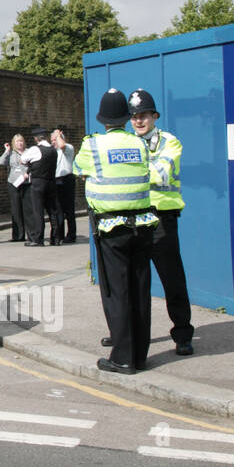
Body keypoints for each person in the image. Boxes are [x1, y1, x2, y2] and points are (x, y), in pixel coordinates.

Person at [75, 88, 157, 374]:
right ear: (126, 117)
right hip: (143, 224)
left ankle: (122, 357)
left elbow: (78, 169)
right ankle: (140, 355)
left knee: (117, 292)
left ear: (103, 119)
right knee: (140, 289)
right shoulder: (140, 144)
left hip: (111, 227)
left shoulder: (93, 145)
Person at [127, 88, 193, 356]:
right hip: (132, 219)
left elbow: (161, 174)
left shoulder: (170, 141)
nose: (138, 121)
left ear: (154, 116)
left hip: (160, 219)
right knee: (131, 282)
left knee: (172, 280)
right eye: (133, 116)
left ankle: (183, 334)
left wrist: (127, 172)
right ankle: (127, 334)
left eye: (143, 115)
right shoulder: (126, 142)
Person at [20, 126, 63, 245]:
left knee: (38, 211)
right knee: (53, 211)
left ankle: (38, 239)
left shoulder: (35, 149)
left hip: (38, 182)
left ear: (36, 139)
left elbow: (22, 160)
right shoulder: (53, 149)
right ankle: (56, 238)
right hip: (51, 182)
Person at [0, 133, 30, 241]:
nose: (19, 143)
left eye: (21, 141)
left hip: (26, 183)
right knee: (16, 209)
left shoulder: (29, 152)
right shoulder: (11, 154)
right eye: (17, 141)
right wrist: (6, 151)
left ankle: (30, 234)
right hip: (13, 183)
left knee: (27, 209)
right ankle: (18, 235)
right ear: (13, 143)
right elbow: (1, 162)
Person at [52, 127, 78, 243]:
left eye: (55, 139)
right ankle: (60, 235)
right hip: (55, 180)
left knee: (69, 210)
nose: (54, 142)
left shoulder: (68, 148)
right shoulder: (52, 152)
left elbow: (62, 146)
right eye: (52, 140)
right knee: (58, 210)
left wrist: (58, 136)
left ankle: (71, 235)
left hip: (66, 180)